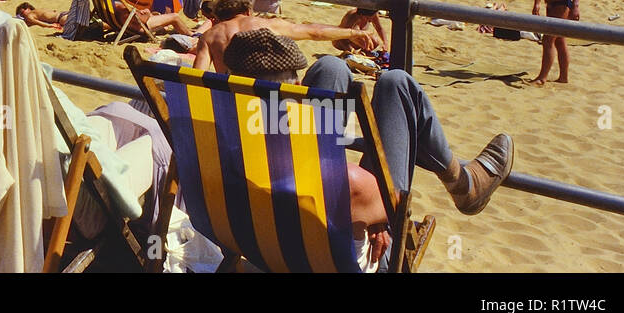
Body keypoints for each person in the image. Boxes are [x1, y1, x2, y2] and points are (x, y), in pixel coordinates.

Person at [220, 29, 514, 269]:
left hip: (263, 242)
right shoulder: (348, 183)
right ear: (297, 86)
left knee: (330, 68)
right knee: (396, 85)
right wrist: (375, 218)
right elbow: (379, 205)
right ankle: (463, 184)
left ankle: (462, 183)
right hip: (335, 254)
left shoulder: (207, 139)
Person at [192, 0, 380, 73]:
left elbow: (196, 78)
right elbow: (316, 33)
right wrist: (353, 33)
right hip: (268, 103)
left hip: (231, 100)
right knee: (329, 66)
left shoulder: (210, 36)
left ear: (219, 15)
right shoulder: (268, 24)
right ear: (248, 11)